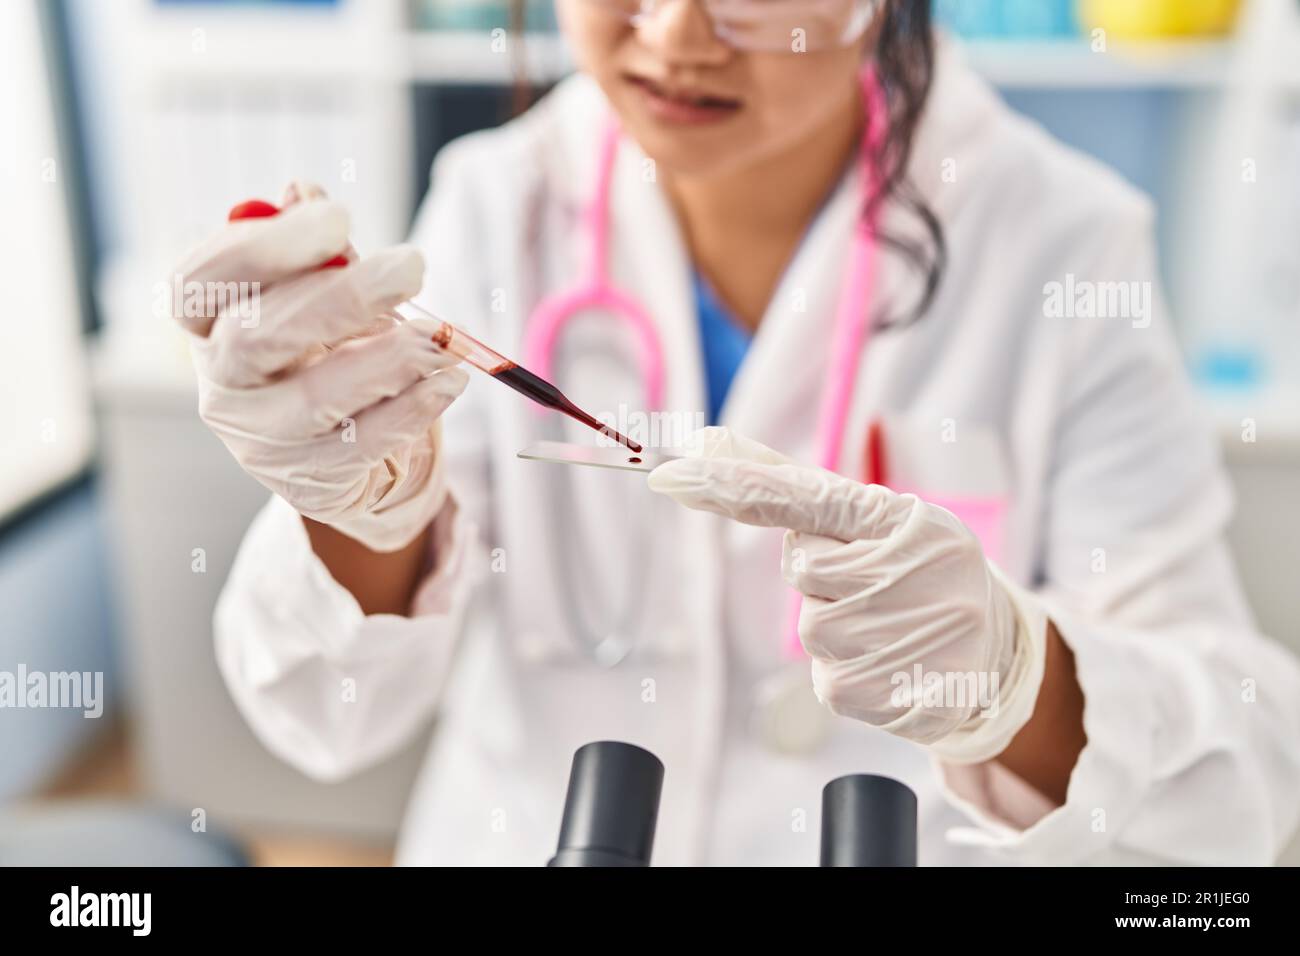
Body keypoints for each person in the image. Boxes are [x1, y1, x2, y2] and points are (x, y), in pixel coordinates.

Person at [171, 0, 1300, 865]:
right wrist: (361, 502)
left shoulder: (1063, 242)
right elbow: (329, 707)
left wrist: (1019, 678)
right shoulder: (489, 202)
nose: (673, 33)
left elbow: (1253, 779)